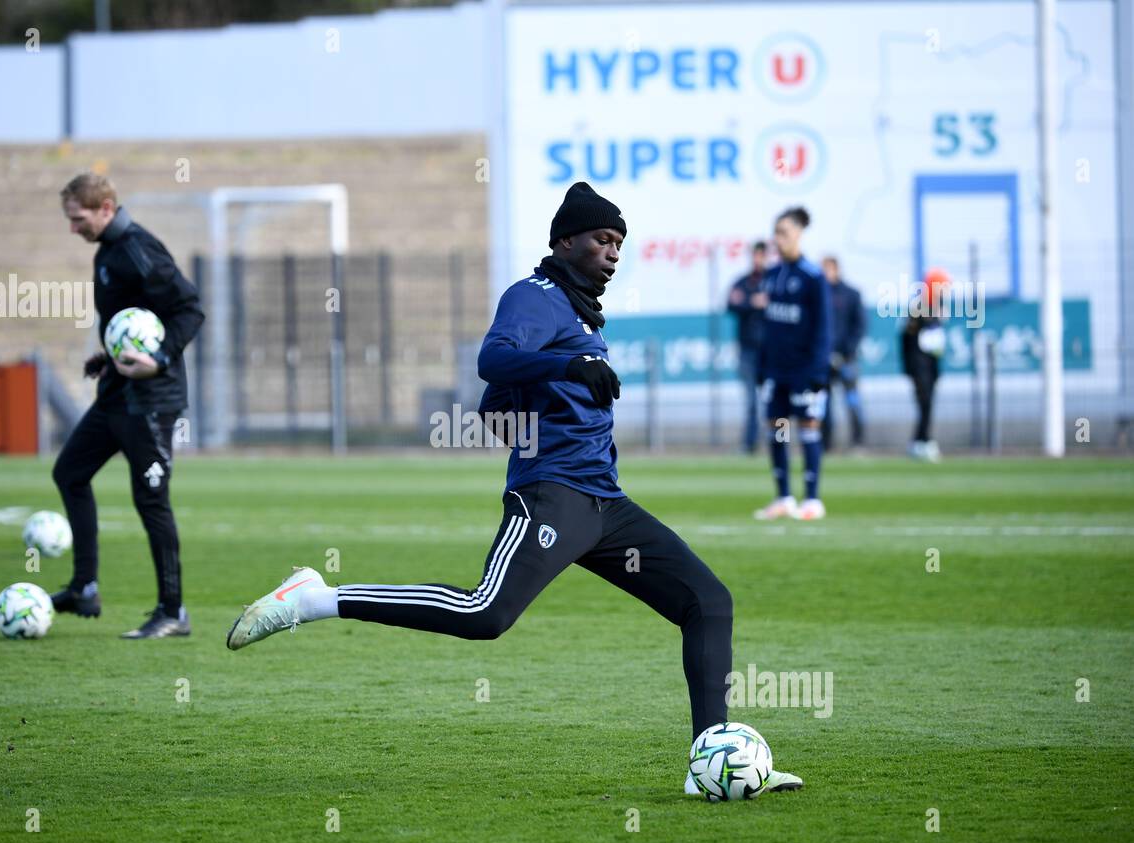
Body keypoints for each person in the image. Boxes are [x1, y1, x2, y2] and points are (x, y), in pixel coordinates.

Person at [226, 181, 803, 796]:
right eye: (602, 240)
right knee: (487, 614)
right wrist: (564, 367)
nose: (613, 253)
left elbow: (497, 406)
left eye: (619, 244)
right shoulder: (536, 296)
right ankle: (316, 597)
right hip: (552, 494)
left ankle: (709, 766)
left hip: (603, 504)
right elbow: (493, 359)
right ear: (564, 241)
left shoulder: (579, 310)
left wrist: (526, 401)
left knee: (707, 602)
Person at [51, 174, 205, 638]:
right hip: (118, 394)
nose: (72, 228)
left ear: (106, 208)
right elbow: (136, 322)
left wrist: (156, 360)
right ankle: (84, 587)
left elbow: (189, 309)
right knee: (70, 473)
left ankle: (173, 613)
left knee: (150, 501)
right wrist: (111, 358)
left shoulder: (139, 249)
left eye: (78, 219)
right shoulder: (109, 252)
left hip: (151, 403)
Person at [753, 207, 832, 521]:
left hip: (804, 370)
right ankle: (784, 497)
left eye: (784, 232)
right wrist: (762, 366)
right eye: (776, 232)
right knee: (777, 430)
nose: (778, 239)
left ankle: (812, 500)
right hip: (776, 369)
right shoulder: (772, 276)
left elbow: (824, 328)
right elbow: (767, 327)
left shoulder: (812, 277)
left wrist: (818, 370)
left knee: (809, 428)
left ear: (799, 233)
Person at [901, 268, 950, 463]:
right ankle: (923, 441)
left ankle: (920, 440)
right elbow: (910, 337)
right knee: (925, 403)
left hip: (931, 366)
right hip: (919, 366)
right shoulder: (919, 308)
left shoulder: (938, 308)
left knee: (928, 404)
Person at [821, 256, 867, 451]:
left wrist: (846, 350)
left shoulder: (851, 294)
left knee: (852, 401)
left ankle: (857, 442)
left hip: (847, 359)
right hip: (823, 360)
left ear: (837, 269)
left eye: (829, 269)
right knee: (823, 405)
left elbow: (859, 326)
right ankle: (826, 444)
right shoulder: (817, 295)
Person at [727, 241, 768, 454]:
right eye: (755, 256)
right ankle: (750, 445)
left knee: (774, 402)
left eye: (762, 256)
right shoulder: (743, 282)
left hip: (771, 351)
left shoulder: (775, 281)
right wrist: (753, 302)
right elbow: (732, 303)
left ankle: (778, 442)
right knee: (752, 402)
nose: (758, 260)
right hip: (748, 350)